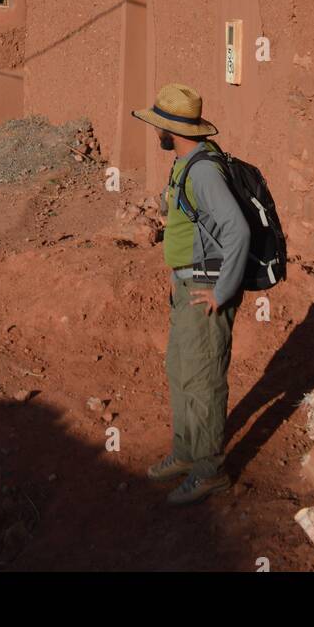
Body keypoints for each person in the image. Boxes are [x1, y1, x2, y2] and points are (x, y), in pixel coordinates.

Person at [132, 83, 250, 506]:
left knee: (202, 380)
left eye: (159, 127)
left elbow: (238, 230)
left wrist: (222, 291)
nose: (156, 134)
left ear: (171, 131)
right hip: (187, 284)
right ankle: (186, 454)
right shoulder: (187, 163)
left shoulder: (202, 171)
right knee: (180, 370)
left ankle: (209, 471)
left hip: (206, 288)